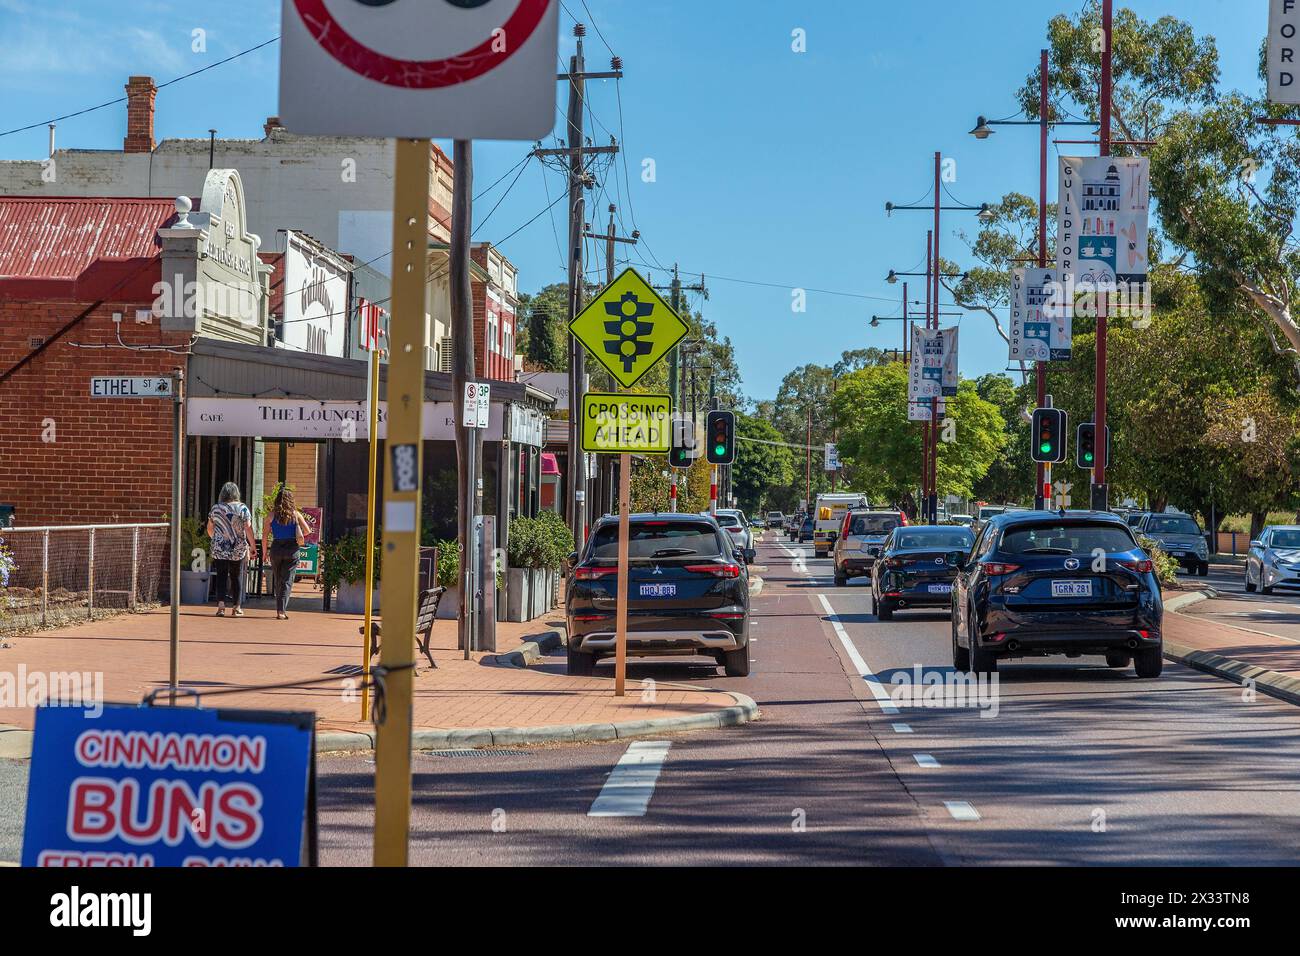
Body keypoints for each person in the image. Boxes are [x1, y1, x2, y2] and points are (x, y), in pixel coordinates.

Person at [263, 486, 311, 620]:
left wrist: (265, 552)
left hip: (276, 548)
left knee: (278, 580)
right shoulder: (295, 514)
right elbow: (307, 531)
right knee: (287, 581)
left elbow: (265, 535)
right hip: (292, 549)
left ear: (277, 500)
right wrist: (298, 533)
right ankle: (281, 611)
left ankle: (279, 608)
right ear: (291, 500)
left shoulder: (271, 515)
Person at [207, 482, 254, 617]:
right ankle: (236, 607)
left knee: (221, 575)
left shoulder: (216, 508)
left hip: (219, 546)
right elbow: (248, 528)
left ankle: (221, 607)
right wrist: (251, 545)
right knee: (236, 576)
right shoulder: (242, 508)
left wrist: (216, 539)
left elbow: (210, 528)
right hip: (238, 547)